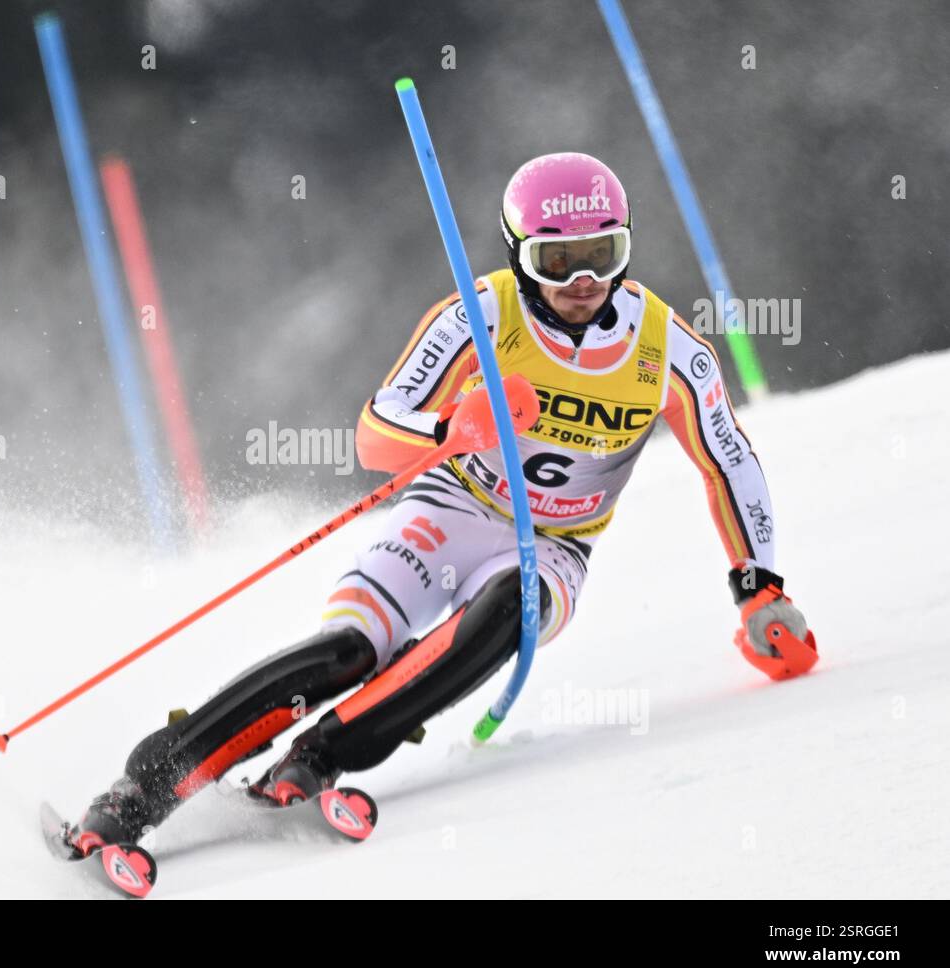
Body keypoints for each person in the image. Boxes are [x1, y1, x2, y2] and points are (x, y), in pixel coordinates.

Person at [67, 151, 813, 854]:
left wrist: (760, 589)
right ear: (520, 256)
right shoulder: (481, 315)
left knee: (513, 607)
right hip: (449, 507)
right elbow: (373, 433)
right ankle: (137, 793)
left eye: (603, 255)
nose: (583, 281)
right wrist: (451, 428)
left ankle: (319, 758)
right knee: (349, 651)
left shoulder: (668, 352)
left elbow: (729, 461)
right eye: (558, 261)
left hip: (554, 545)